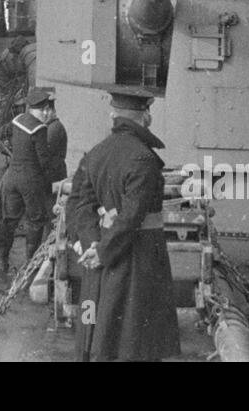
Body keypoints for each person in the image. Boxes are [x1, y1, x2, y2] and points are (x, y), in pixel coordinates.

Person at [66, 86, 179, 362]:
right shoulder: (144, 158)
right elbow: (132, 216)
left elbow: (81, 204)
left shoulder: (95, 153)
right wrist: (103, 251)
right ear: (144, 115)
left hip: (99, 257)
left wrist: (92, 245)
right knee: (135, 334)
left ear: (113, 115)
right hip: (138, 257)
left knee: (96, 318)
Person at [0, 86, 54, 275]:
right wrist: (49, 180)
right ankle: (30, 264)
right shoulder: (39, 129)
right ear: (38, 109)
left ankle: (2, 262)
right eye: (44, 109)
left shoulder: (17, 120)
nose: (46, 113)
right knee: (36, 220)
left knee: (9, 220)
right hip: (30, 181)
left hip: (11, 178)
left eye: (47, 109)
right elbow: (43, 160)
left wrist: (6, 149)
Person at [37, 88, 69, 188]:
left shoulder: (54, 128)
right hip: (51, 174)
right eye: (43, 111)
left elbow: (43, 151)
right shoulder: (50, 126)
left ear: (53, 111)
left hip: (53, 176)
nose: (45, 114)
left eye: (48, 110)